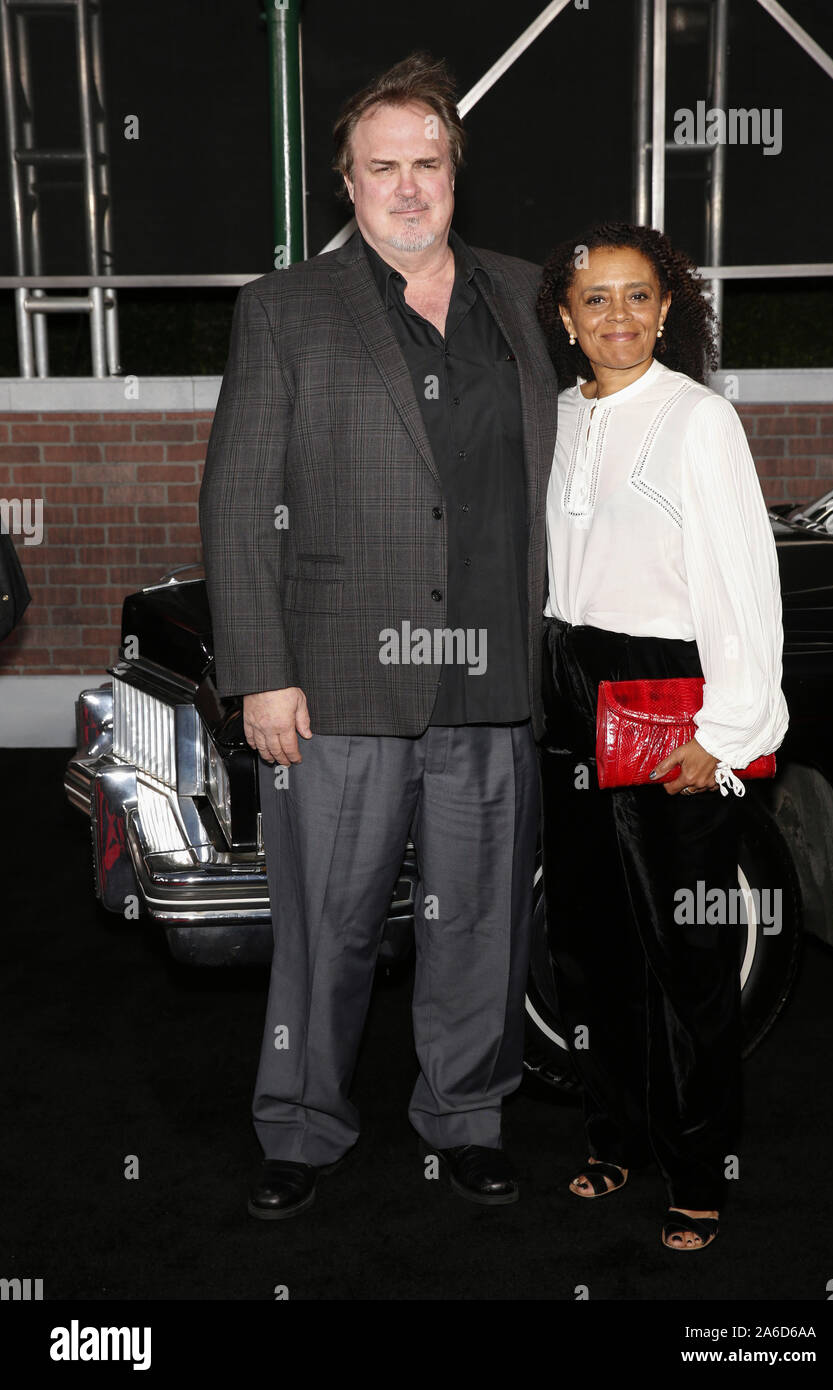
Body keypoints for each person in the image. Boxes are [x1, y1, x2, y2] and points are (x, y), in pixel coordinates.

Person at [198, 52, 558, 1219]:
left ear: (456, 173)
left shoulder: (522, 295)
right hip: (341, 681)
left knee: (483, 922)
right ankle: (301, 1123)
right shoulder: (283, 308)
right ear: (345, 185)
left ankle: (466, 1113)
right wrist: (260, 675)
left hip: (490, 677)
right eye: (382, 167)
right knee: (325, 926)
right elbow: (239, 499)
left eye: (429, 164)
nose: (408, 187)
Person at [535, 222, 788, 1250]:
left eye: (637, 296)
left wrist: (725, 730)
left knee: (683, 948)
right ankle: (615, 1135)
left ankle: (698, 1172)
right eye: (595, 299)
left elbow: (743, 579)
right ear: (563, 318)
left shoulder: (696, 420)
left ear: (667, 306)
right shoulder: (549, 416)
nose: (618, 317)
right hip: (567, 686)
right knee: (588, 943)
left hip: (668, 692)